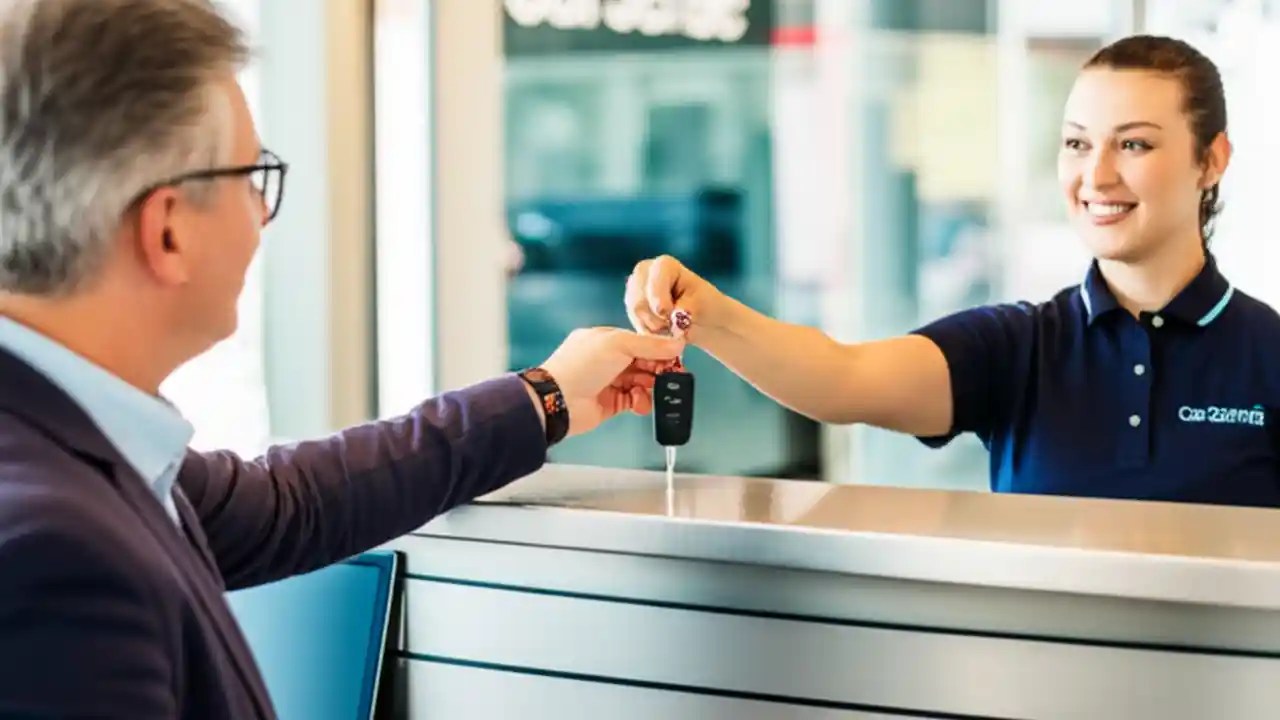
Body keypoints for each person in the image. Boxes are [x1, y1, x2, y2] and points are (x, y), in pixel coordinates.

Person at [0, 1, 684, 718]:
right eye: (249, 177)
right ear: (168, 230)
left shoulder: (76, 450)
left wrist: (544, 397)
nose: (262, 214)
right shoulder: (54, 555)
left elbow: (285, 506)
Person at [626, 34, 1280, 508]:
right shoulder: (1020, 347)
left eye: (1133, 143)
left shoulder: (1268, 352)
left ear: (1210, 160)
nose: (1096, 174)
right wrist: (709, 315)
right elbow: (842, 376)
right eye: (1078, 142)